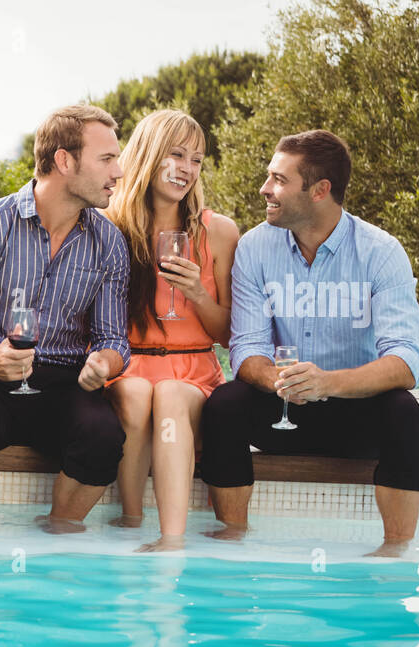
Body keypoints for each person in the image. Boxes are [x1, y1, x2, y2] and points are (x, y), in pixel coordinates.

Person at [200, 130, 419, 556]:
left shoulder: (381, 252)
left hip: (356, 414)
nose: (266, 189)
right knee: (224, 403)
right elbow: (245, 348)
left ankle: (395, 551)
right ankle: (232, 539)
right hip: (282, 409)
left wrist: (327, 383)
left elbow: (406, 361)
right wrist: (276, 380)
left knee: (403, 410)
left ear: (321, 191)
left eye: (279, 180)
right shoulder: (254, 248)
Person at [0, 104, 130, 532]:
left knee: (104, 439)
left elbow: (114, 339)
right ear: (64, 160)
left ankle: (56, 539)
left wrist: (104, 364)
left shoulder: (109, 242)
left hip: (65, 380)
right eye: (107, 159)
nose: (118, 172)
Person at [105, 110, 239, 550]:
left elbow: (227, 335)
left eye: (196, 160)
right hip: (127, 366)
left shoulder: (218, 232)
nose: (186, 169)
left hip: (192, 373)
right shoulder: (110, 226)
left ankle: (171, 540)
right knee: (140, 392)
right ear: (147, 155)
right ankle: (129, 520)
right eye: (176, 154)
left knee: (167, 394)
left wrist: (198, 294)